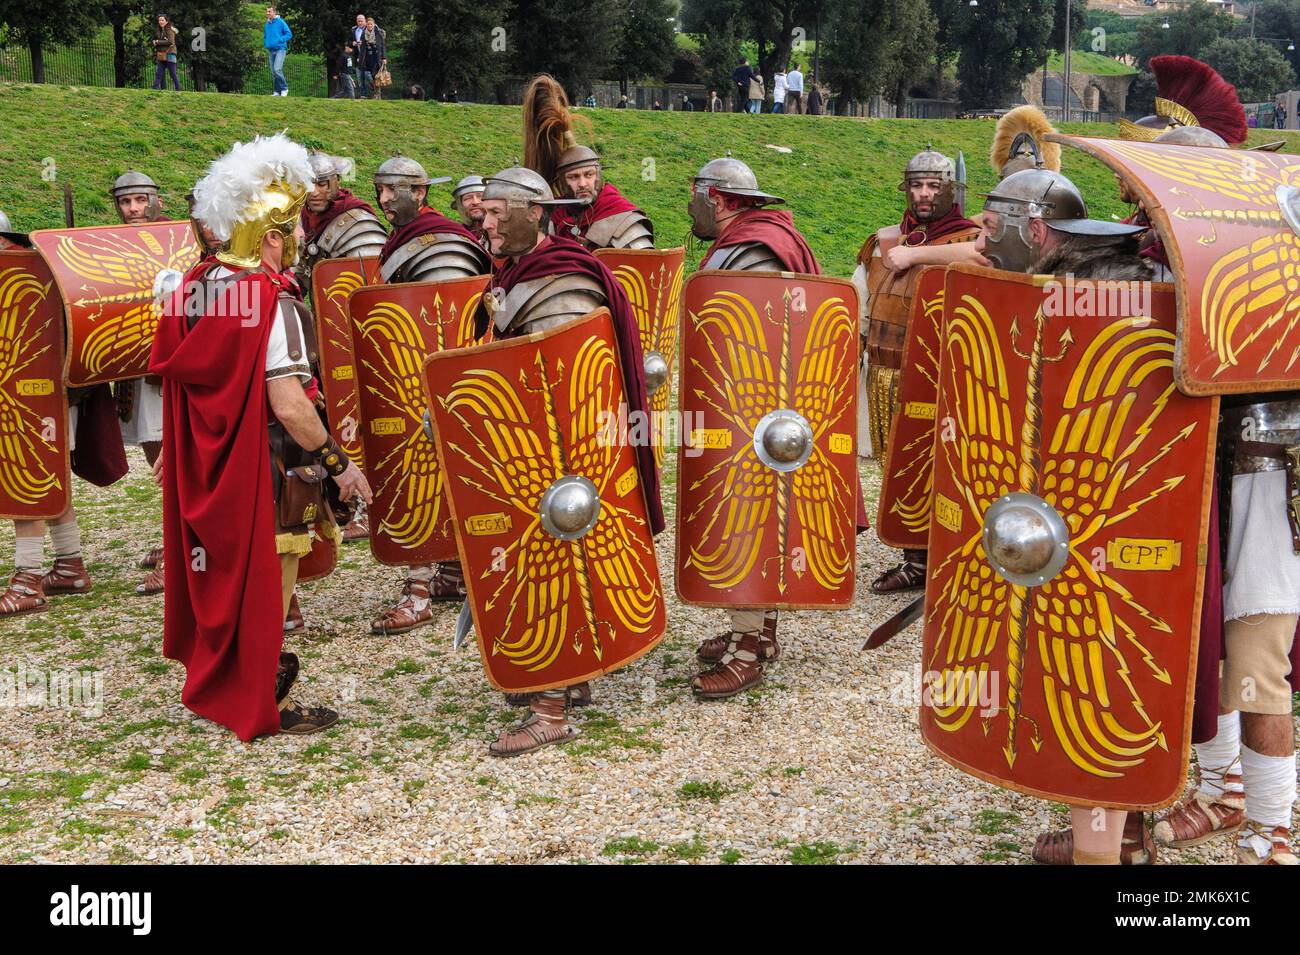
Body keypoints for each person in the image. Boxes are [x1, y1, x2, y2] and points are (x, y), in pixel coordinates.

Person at [151, 132, 372, 739]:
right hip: (265, 464)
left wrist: (177, 446)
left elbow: (188, 381)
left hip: (207, 460)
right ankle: (258, 700)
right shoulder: (272, 303)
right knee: (267, 583)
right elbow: (290, 403)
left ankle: (221, 682)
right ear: (270, 235)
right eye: (294, 228)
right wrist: (339, 463)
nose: (302, 238)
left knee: (220, 572)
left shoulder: (197, 284)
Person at [470, 166, 663, 754]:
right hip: (532, 448)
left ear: (535, 212)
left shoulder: (563, 284)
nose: (487, 220)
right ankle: (572, 678)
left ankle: (551, 706)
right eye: (485, 211)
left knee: (555, 561)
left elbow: (565, 384)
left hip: (562, 455)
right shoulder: (521, 270)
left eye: (499, 211)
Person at [683, 157, 830, 697]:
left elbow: (764, 337)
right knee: (755, 517)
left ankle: (749, 651)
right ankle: (759, 632)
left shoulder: (755, 249)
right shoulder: (755, 239)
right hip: (749, 410)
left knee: (750, 520)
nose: (691, 203)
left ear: (718, 199)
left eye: (696, 193)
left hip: (759, 413)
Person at [368, 155, 491, 636]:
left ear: (419, 193)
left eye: (391, 190)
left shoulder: (441, 246)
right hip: (411, 378)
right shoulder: (408, 241)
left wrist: (433, 391)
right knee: (431, 471)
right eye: (378, 189)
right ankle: (453, 569)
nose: (383, 200)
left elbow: (446, 324)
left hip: (439, 385)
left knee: (427, 473)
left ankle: (418, 589)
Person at [854, 148, 979, 594]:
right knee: (897, 465)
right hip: (887, 372)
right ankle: (915, 557)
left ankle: (946, 553)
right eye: (916, 185)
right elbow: (860, 304)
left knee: (941, 465)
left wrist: (917, 258)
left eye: (933, 186)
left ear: (951, 190)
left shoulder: (972, 240)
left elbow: (987, 268)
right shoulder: (884, 240)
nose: (923, 194)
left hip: (940, 376)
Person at [0, 210, 127, 618]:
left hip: (46, 397)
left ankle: (27, 580)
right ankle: (70, 566)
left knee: (29, 481)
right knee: (48, 479)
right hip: (27, 397)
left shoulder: (39, 273)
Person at [110, 170, 174, 596]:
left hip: (169, 371)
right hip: (136, 370)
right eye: (125, 201)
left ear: (157, 201)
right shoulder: (111, 247)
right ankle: (176, 538)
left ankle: (182, 551)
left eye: (140, 200)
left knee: (177, 460)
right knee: (158, 459)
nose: (133, 209)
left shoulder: (177, 243)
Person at [521, 75, 654, 251]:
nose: (583, 183)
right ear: (562, 181)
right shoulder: (554, 219)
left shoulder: (622, 218)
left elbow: (644, 273)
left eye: (588, 175)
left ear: (598, 176)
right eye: (574, 177)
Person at [450, 174, 487, 248]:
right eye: (468, 198)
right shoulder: (457, 235)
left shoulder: (503, 232)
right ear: (460, 205)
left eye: (480, 196)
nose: (475, 202)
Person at [263, 6, 291, 97]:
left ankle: (284, 88)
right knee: (273, 72)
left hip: (280, 49)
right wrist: (266, 43)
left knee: (277, 69)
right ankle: (277, 91)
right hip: (271, 50)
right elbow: (265, 36)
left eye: (269, 11)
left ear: (274, 12)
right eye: (267, 11)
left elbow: (289, 34)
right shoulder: (266, 24)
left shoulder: (280, 22)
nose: (267, 13)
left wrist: (280, 40)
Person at [151, 14, 180, 91]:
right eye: (159, 20)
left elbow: (170, 41)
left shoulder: (169, 30)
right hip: (162, 54)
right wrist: (155, 42)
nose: (160, 21)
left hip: (170, 54)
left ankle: (179, 90)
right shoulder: (160, 31)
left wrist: (158, 42)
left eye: (162, 20)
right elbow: (162, 42)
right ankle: (154, 88)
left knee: (173, 73)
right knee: (159, 73)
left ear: (166, 21)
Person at [360, 16, 386, 100]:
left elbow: (382, 46)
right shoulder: (363, 34)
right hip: (368, 58)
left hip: (377, 58)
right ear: (366, 25)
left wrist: (384, 58)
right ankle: (375, 92)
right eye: (368, 24)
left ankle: (377, 94)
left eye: (371, 24)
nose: (370, 25)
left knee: (377, 76)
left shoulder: (378, 33)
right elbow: (362, 48)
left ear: (374, 24)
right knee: (369, 75)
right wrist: (360, 59)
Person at [349, 13, 370, 98]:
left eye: (361, 21)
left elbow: (375, 41)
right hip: (358, 57)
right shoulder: (354, 30)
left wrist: (364, 43)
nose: (360, 23)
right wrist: (352, 43)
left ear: (365, 21)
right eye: (358, 21)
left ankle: (376, 93)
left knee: (370, 77)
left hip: (368, 57)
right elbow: (348, 42)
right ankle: (363, 95)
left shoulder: (369, 28)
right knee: (360, 78)